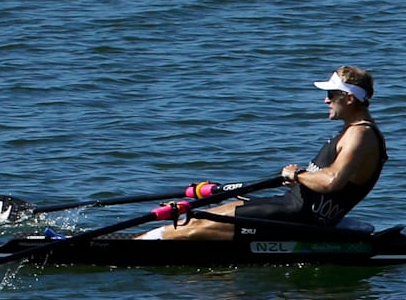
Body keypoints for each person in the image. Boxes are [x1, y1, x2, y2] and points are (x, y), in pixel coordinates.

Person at [145, 65, 387, 240]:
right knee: (198, 217)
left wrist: (297, 175)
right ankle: (145, 239)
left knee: (196, 226)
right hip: (290, 206)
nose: (326, 101)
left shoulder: (360, 135)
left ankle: (137, 245)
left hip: (299, 217)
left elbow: (332, 182)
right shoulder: (352, 131)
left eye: (331, 95)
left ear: (349, 98)